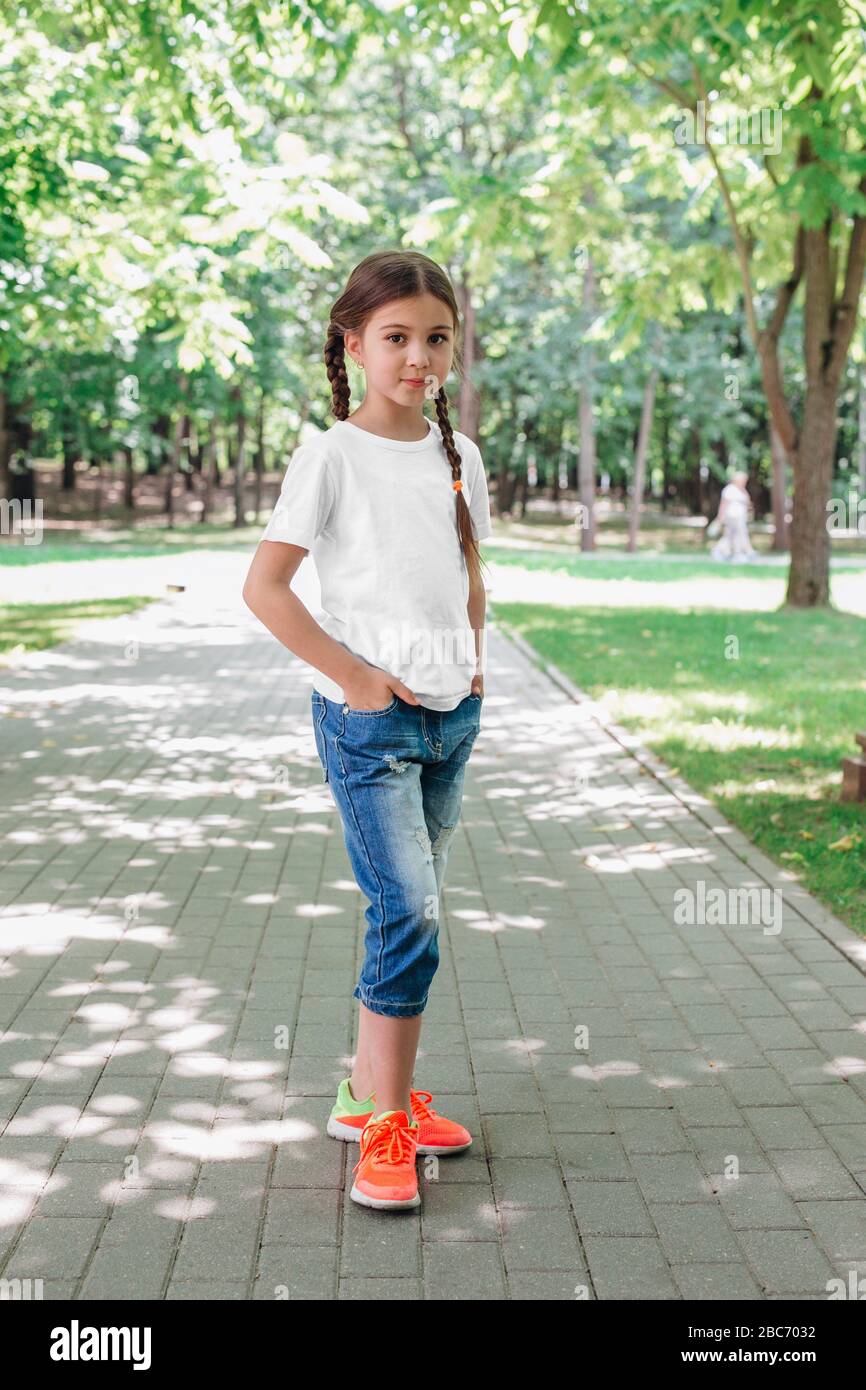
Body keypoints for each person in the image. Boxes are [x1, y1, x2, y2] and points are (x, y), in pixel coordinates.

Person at [242, 250, 492, 1212]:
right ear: (353, 343)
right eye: (396, 338)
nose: (418, 357)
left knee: (405, 908)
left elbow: (465, 569)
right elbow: (264, 586)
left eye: (436, 338)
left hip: (451, 718)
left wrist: (472, 662)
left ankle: (369, 1093)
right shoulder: (332, 455)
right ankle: (383, 1127)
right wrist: (354, 677)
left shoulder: (456, 453)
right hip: (371, 725)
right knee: (411, 912)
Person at [710, 469, 756, 560]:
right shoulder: (729, 489)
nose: (744, 482)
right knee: (740, 533)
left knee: (730, 535)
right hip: (732, 516)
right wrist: (720, 517)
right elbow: (723, 504)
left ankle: (720, 551)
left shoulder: (742, 490)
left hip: (741, 516)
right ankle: (746, 552)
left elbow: (748, 502)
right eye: (743, 480)